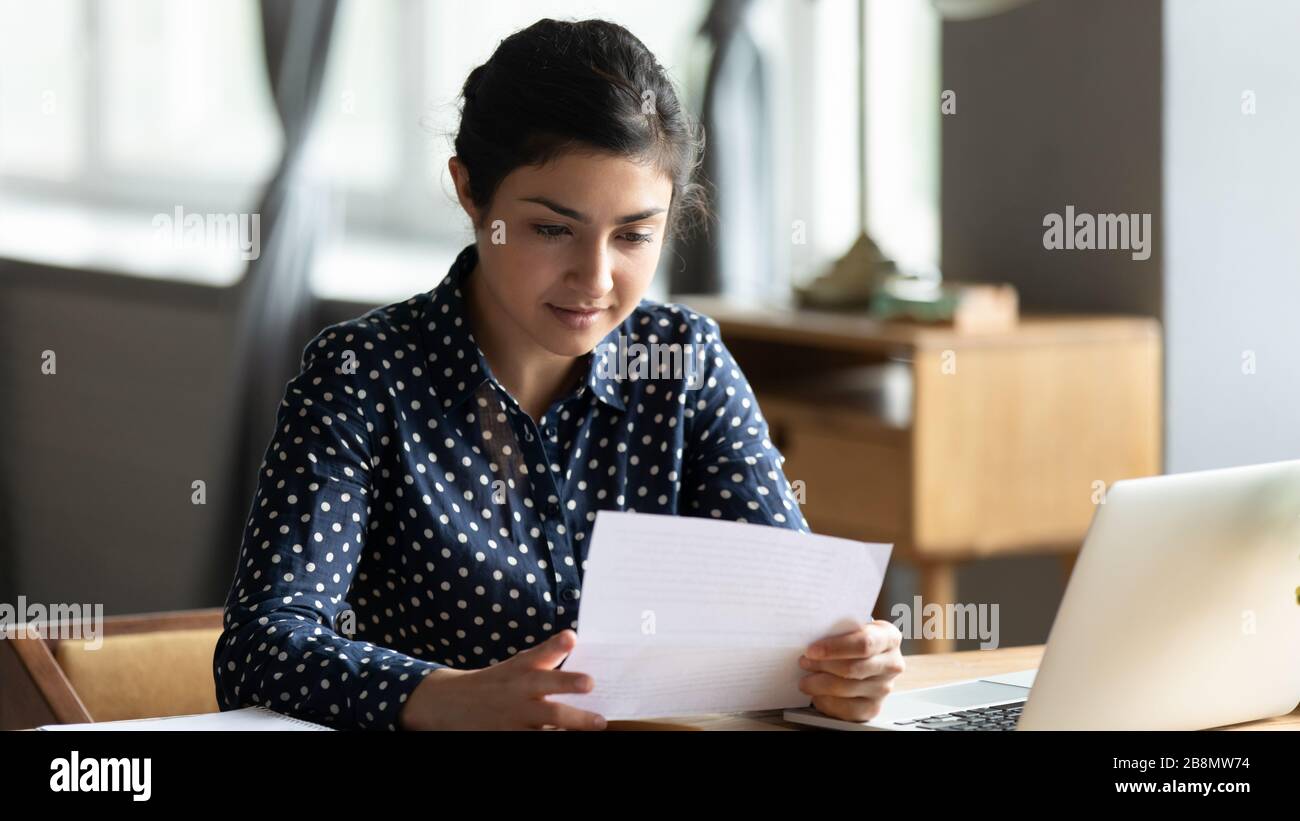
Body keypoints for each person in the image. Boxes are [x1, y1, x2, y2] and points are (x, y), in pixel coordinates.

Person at [213, 17, 903, 731]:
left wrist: (847, 665)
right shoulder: (362, 376)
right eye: (551, 229)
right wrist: (451, 696)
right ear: (471, 193)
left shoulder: (685, 364)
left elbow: (793, 622)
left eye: (634, 235)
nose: (595, 278)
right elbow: (260, 648)